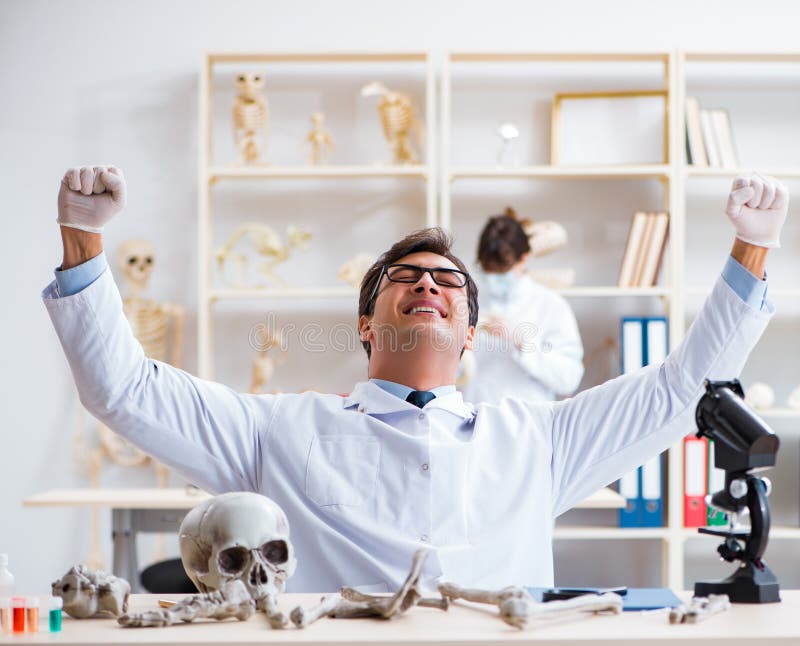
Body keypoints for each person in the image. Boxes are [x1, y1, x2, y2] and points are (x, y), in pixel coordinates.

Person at [44, 166, 786, 593]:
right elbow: (123, 390)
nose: (429, 284)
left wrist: (752, 249)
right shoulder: (276, 429)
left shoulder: (540, 439)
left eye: (449, 282)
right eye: (405, 277)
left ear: (470, 333)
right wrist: (84, 238)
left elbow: (683, 390)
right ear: (366, 325)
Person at [461, 209, 584, 404]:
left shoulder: (551, 306)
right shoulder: (468, 303)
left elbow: (569, 378)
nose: (493, 278)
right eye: (487, 270)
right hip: (475, 413)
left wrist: (521, 342)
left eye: (502, 271)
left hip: (528, 418)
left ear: (523, 259)